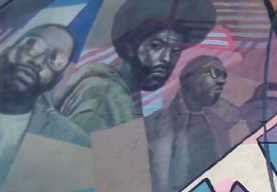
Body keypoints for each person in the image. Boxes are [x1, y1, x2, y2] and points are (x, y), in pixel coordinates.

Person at [0, 24, 87, 192]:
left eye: (55, 60)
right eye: (32, 46)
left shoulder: (66, 143)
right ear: (6, 52)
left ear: (58, 78)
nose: (37, 62)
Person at [59, 0, 219, 135]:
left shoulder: (125, 95)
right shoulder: (103, 97)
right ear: (129, 46)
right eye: (156, 46)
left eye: (175, 51)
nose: (167, 58)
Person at [145, 54, 244, 192]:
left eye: (224, 75)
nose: (222, 81)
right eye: (215, 73)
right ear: (190, 78)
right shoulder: (156, 123)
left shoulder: (221, 122)